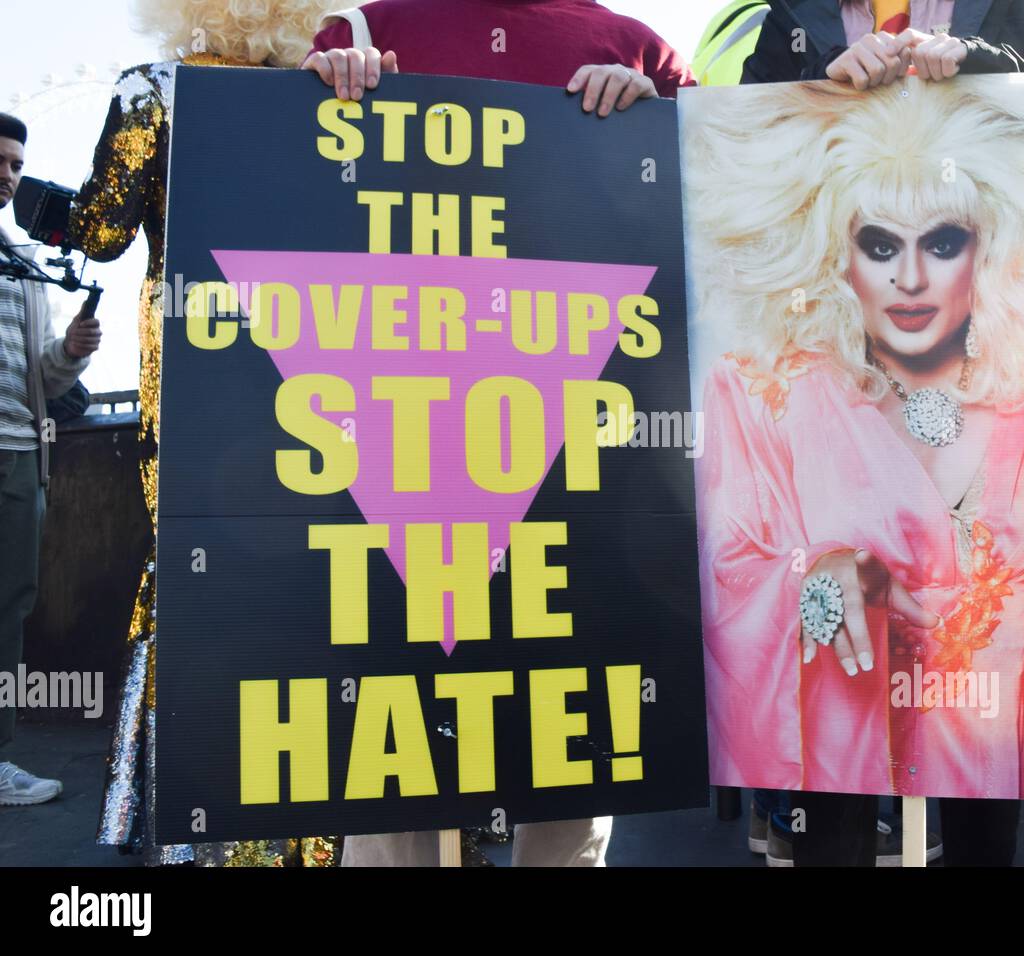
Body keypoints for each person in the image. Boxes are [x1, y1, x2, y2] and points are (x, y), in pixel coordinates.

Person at [685, 75, 1024, 865]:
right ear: (834, 252)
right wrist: (819, 573)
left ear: (992, 242)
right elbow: (728, 566)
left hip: (995, 747)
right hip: (836, 762)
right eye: (879, 243)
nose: (909, 278)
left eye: (942, 241)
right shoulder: (758, 388)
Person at [300, 0, 693, 867]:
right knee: (391, 764)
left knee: (575, 750)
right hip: (403, 442)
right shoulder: (363, 29)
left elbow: (716, 210)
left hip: (583, 444)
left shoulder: (636, 46)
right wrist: (316, 95)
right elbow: (293, 195)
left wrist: (658, 120)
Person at [67, 0, 336, 866]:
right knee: (315, 567)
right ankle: (318, 828)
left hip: (190, 371)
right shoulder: (325, 94)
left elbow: (99, 232)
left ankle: (191, 818)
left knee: (188, 567)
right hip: (318, 369)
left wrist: (49, 208)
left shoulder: (154, 91)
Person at [0, 113, 101, 806]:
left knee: (9, 607)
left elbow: (41, 375)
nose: (7, 175)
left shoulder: (24, 264)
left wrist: (70, 351)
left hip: (14, 453)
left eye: (14, 165)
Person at [742, 0, 1024, 86]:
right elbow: (742, 146)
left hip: (1010, 270)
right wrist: (822, 84)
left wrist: (984, 63)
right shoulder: (790, 16)